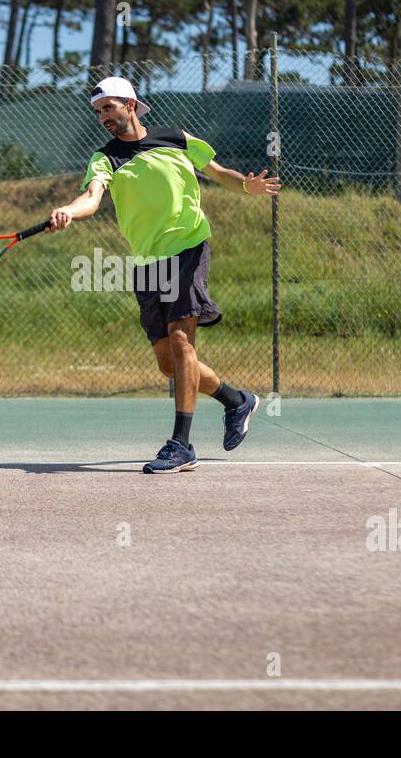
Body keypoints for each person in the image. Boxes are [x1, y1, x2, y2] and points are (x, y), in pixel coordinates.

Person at [47, 76, 280, 473]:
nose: (104, 116)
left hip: (189, 246)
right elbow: (92, 197)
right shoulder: (104, 158)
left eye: (109, 107)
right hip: (147, 262)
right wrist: (70, 210)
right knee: (169, 364)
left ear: (130, 104)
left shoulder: (174, 137)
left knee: (181, 342)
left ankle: (181, 445)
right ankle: (236, 401)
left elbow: (218, 171)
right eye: (98, 111)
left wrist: (246, 186)